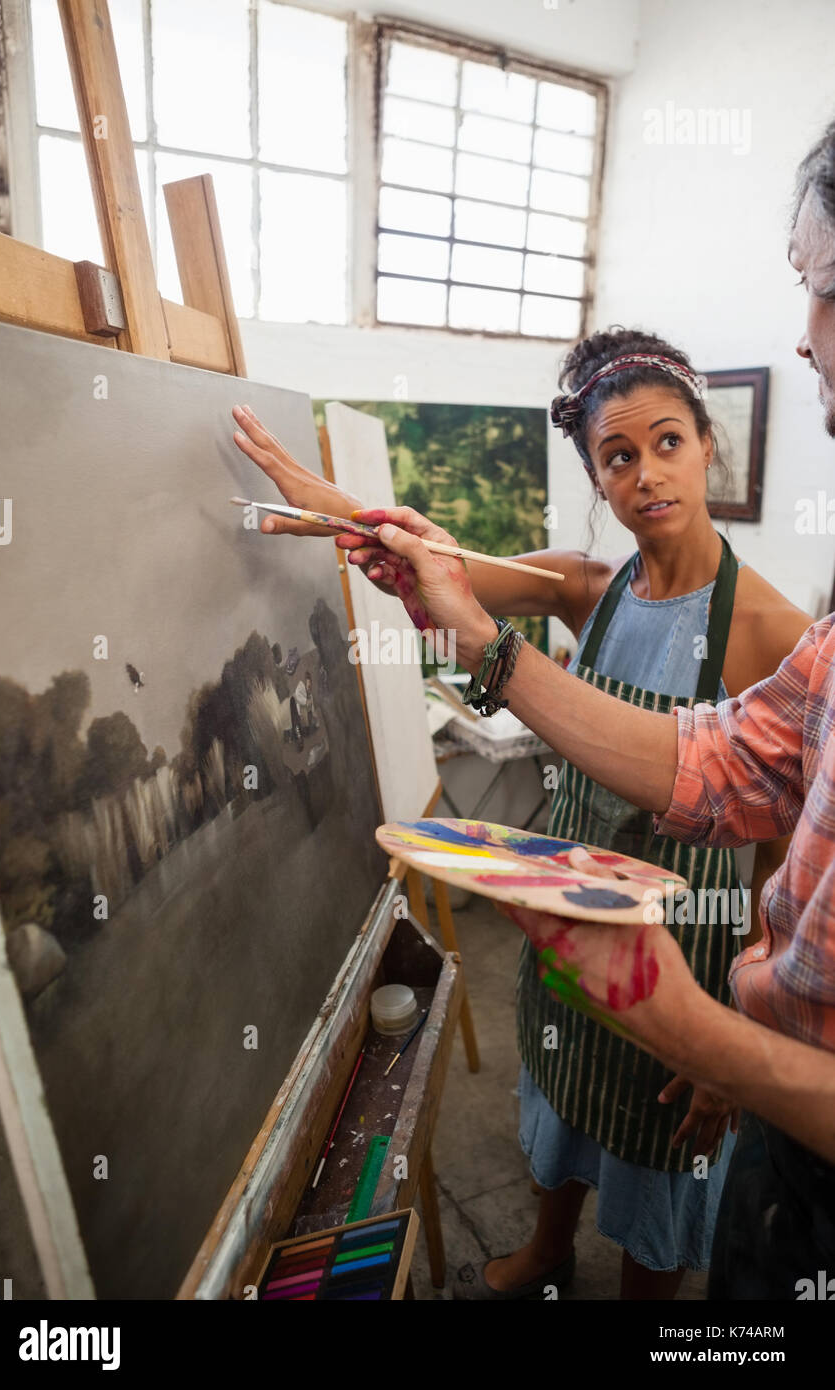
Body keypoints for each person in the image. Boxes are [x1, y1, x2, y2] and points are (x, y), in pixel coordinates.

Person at [236, 118, 835, 1300]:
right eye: (618, 456)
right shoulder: (583, 583)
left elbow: (780, 853)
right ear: (597, 479)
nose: (647, 473)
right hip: (575, 909)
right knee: (563, 1108)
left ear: (707, 444)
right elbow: (428, 558)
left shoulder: (769, 627)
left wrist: (736, 1039)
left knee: (656, 1173)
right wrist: (317, 500)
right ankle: (547, 1246)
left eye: (668, 442)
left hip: (694, 946)